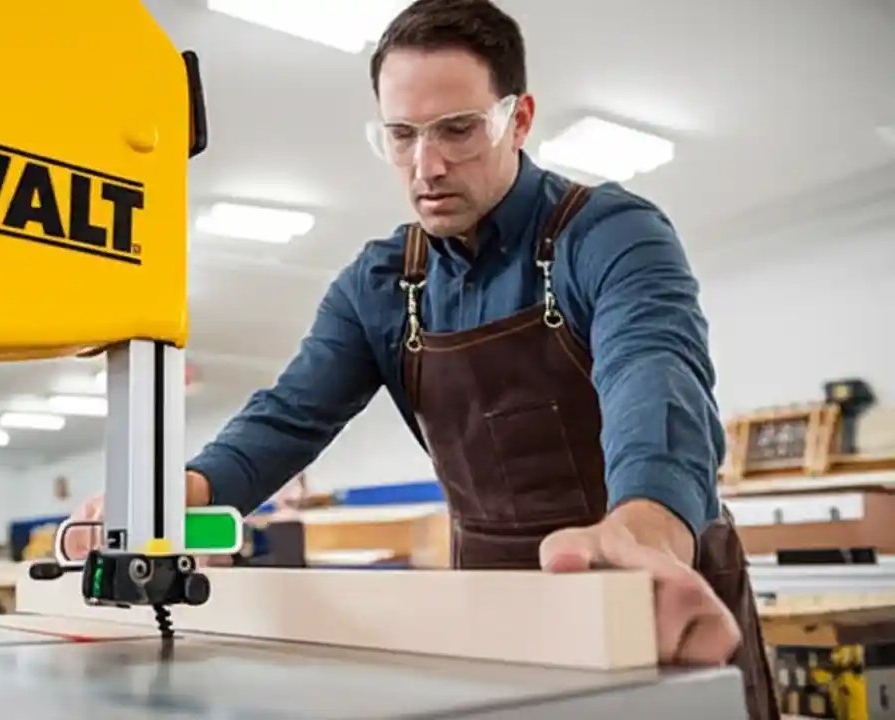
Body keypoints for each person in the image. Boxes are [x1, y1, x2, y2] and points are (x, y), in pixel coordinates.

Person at [66, 1, 776, 716]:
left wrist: (645, 535)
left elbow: (654, 375)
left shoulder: (613, 235)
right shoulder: (377, 286)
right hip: (496, 602)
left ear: (519, 119)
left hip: (662, 587)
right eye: (400, 136)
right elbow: (286, 419)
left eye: (458, 130)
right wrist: (173, 496)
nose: (426, 166)